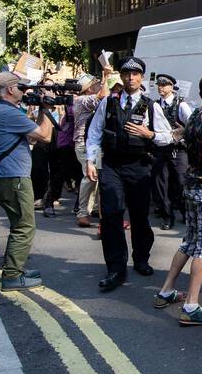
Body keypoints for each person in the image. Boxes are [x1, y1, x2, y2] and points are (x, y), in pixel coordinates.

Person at [85, 56, 173, 291]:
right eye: (126, 73)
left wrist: (149, 134)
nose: (130, 77)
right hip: (112, 165)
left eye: (135, 74)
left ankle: (141, 258)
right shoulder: (109, 103)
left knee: (139, 216)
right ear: (121, 76)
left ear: (141, 77)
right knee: (112, 215)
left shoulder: (151, 105)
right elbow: (94, 133)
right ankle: (116, 268)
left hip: (139, 166)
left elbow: (167, 137)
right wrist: (90, 160)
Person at [155, 73, 202, 324]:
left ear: (201, 94)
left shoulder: (195, 116)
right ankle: (191, 307)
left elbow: (181, 137)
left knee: (189, 242)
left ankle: (166, 291)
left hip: (190, 187)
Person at [0, 71, 55, 290]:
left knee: (18, 224)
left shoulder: (2, 110)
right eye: (22, 88)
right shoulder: (8, 113)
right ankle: (13, 275)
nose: (26, 92)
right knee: (24, 226)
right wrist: (46, 109)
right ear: (11, 90)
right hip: (12, 177)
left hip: (6, 175)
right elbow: (46, 135)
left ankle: (14, 267)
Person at [151, 73, 186, 230]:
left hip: (178, 149)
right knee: (161, 184)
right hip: (160, 149)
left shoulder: (181, 105)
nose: (161, 87)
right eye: (159, 84)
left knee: (181, 181)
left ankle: (186, 213)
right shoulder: (154, 105)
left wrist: (181, 132)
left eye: (164, 85)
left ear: (172, 87)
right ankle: (167, 216)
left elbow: (192, 124)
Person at [73, 75, 108, 227]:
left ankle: (92, 208)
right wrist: (106, 76)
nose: (98, 85)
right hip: (84, 143)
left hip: (93, 144)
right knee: (89, 176)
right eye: (95, 84)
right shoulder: (82, 100)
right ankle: (82, 213)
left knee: (96, 176)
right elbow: (103, 95)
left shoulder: (84, 99)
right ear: (88, 88)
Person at [43, 95, 78, 218]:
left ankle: (79, 205)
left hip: (80, 144)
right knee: (60, 175)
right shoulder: (74, 102)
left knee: (81, 177)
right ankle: (49, 203)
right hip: (67, 144)